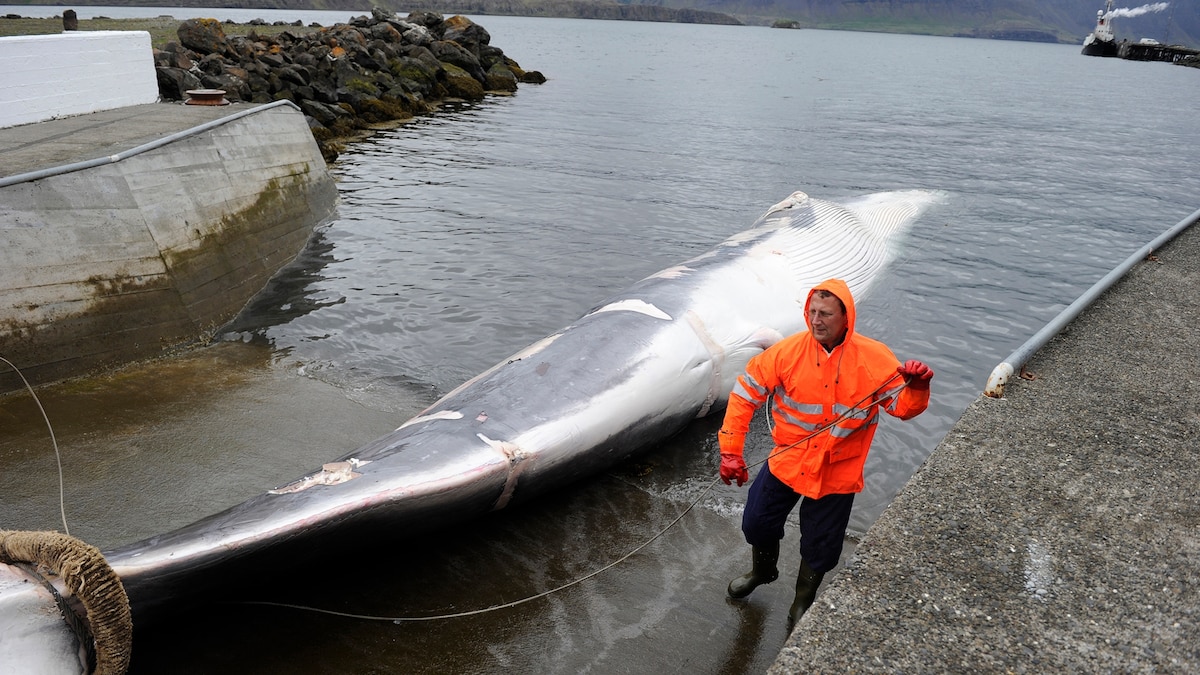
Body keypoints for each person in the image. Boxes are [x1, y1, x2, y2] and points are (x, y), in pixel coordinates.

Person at [717, 278, 933, 626]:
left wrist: (919, 386)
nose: (817, 321)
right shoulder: (786, 353)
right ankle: (763, 571)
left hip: (838, 472)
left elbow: (903, 408)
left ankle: (803, 600)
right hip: (787, 460)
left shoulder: (875, 358)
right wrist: (731, 451)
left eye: (826, 314)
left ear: (846, 318)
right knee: (757, 522)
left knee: (822, 545)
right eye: (812, 312)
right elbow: (744, 396)